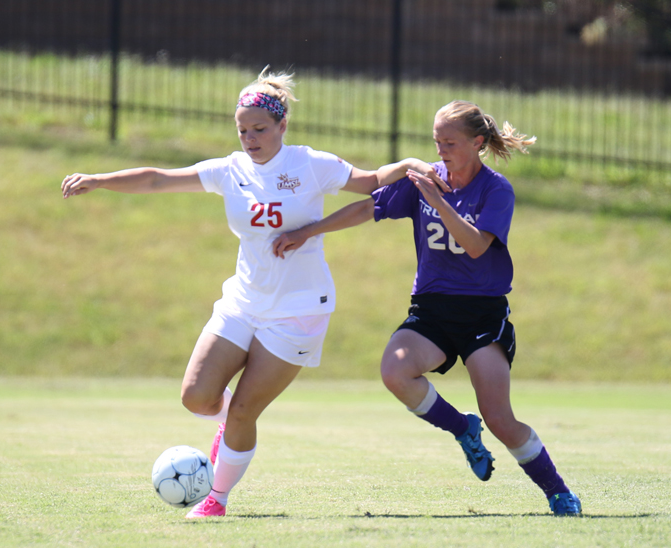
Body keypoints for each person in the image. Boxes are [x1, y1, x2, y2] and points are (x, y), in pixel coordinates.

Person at [61, 67, 432, 518]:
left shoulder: (310, 164)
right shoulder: (228, 170)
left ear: (282, 126)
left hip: (298, 309)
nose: (250, 138)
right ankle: (226, 431)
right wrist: (100, 179)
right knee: (197, 396)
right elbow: (158, 177)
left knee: (242, 412)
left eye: (259, 129)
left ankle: (215, 499)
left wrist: (410, 165)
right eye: (242, 130)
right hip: (243, 301)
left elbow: (371, 181)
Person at [272, 100, 582, 516]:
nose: (441, 151)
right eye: (437, 142)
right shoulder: (426, 180)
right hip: (432, 308)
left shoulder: (495, 189)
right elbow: (368, 207)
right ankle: (461, 428)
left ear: (477, 143)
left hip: (481, 314)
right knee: (394, 372)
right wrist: (308, 232)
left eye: (450, 142)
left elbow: (475, 246)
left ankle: (558, 491)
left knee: (501, 420)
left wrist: (439, 202)